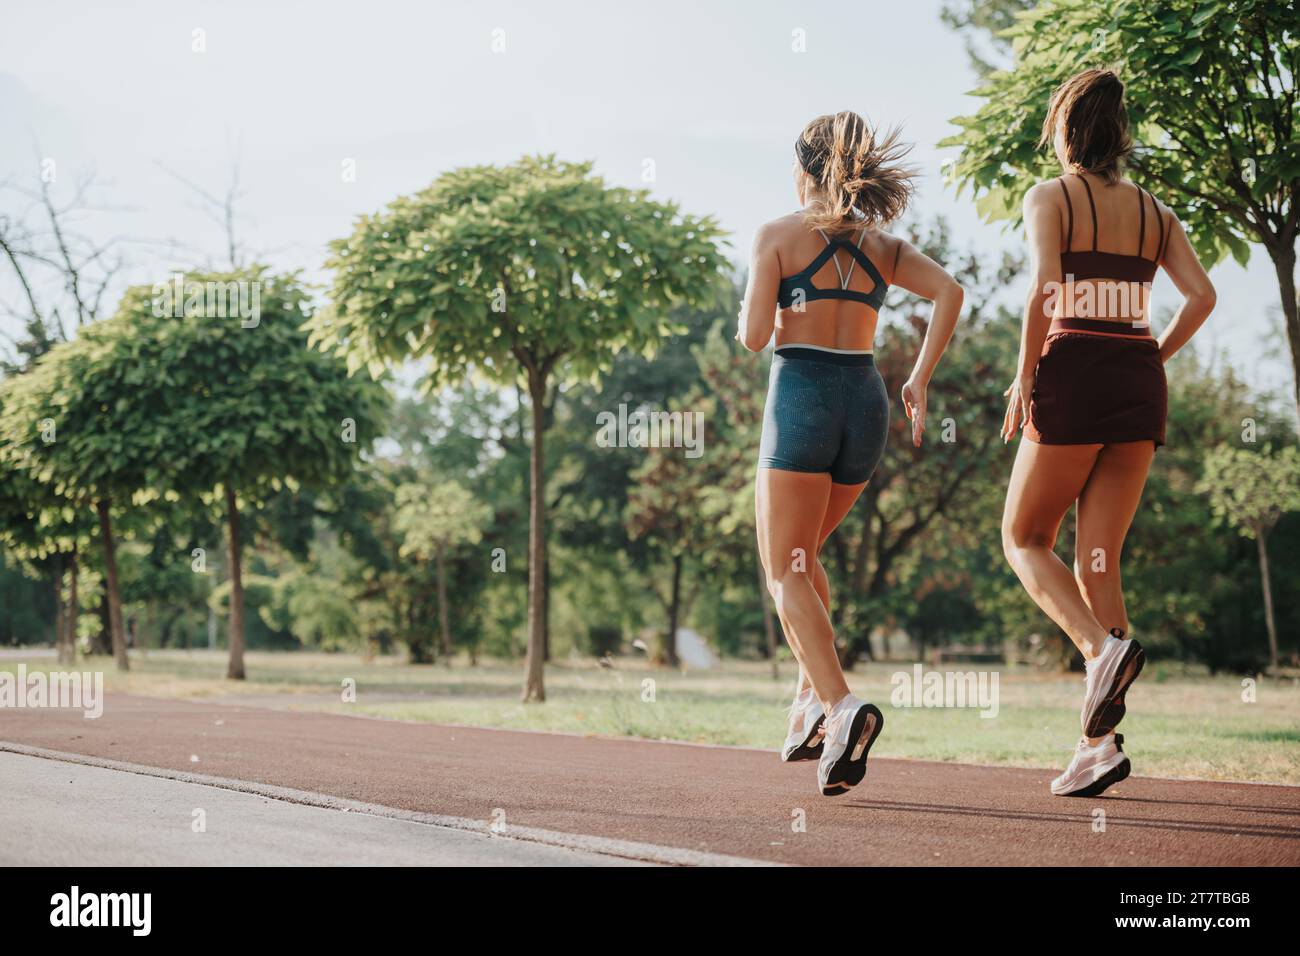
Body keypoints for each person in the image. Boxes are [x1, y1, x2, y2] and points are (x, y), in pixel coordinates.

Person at [1000, 70, 1216, 797]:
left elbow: (1044, 290)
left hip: (1075, 365)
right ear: (1120, 134)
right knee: (1100, 561)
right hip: (1136, 379)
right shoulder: (1157, 213)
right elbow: (1203, 296)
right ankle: (1099, 746)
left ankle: (1100, 651)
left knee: (1024, 538)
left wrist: (1025, 375)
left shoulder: (1049, 196)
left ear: (1066, 130)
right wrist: (1152, 356)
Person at [737, 111, 963, 796]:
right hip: (867, 401)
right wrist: (919, 377)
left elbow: (752, 339)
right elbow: (951, 292)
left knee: (784, 573)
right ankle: (809, 704)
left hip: (802, 393)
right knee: (806, 561)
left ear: (805, 168)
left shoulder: (776, 235)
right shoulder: (883, 245)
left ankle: (839, 708)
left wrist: (777, 303)